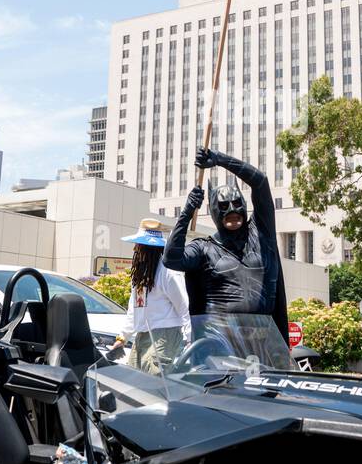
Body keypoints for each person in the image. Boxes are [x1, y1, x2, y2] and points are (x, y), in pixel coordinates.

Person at [164, 147, 288, 343]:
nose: (232, 210)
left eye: (237, 203)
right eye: (223, 206)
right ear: (213, 211)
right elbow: (172, 259)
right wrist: (187, 212)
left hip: (264, 340)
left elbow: (261, 181)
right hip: (220, 343)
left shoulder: (261, 233)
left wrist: (219, 159)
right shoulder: (204, 248)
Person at [110, 218, 190, 375]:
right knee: (133, 378)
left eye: (139, 245)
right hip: (143, 334)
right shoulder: (141, 274)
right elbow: (134, 309)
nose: (135, 249)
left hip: (164, 334)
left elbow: (184, 307)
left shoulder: (168, 272)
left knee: (154, 382)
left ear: (148, 248)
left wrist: (190, 340)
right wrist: (122, 338)